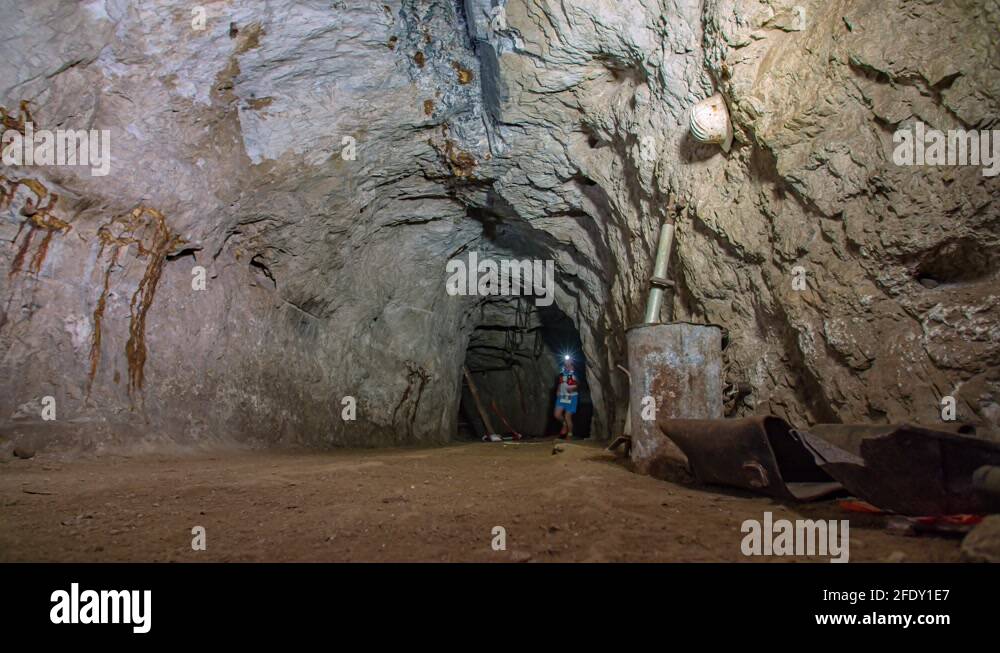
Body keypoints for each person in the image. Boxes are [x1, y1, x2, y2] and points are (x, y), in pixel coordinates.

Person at [554, 356, 579, 439]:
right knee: (557, 415)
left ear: (572, 361)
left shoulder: (575, 371)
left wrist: (573, 387)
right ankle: (564, 424)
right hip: (562, 396)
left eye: (569, 360)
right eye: (566, 360)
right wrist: (558, 390)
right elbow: (560, 382)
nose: (567, 361)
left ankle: (570, 434)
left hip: (571, 397)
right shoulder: (562, 370)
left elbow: (578, 384)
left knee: (567, 417)